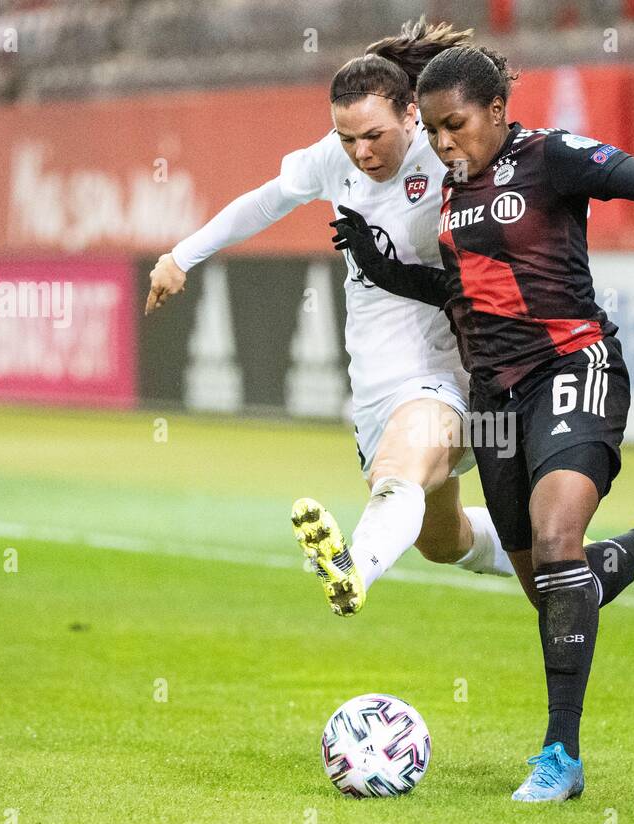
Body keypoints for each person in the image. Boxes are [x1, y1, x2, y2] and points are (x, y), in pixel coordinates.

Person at [332, 44, 634, 801]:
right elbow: (463, 295)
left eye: (455, 125)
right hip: (496, 404)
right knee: (555, 591)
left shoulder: (553, 158)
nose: (441, 145)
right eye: (432, 130)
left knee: (562, 541)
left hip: (573, 367)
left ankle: (560, 756)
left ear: (497, 111)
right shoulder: (451, 193)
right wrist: (386, 269)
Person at [145, 20, 515, 618]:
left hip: (446, 372)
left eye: (373, 135)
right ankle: (586, 563)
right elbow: (265, 202)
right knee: (443, 542)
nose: (361, 152)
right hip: (373, 384)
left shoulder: (448, 155)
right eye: (347, 139)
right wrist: (180, 255)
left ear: (412, 117)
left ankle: (353, 569)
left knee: (402, 465)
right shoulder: (333, 160)